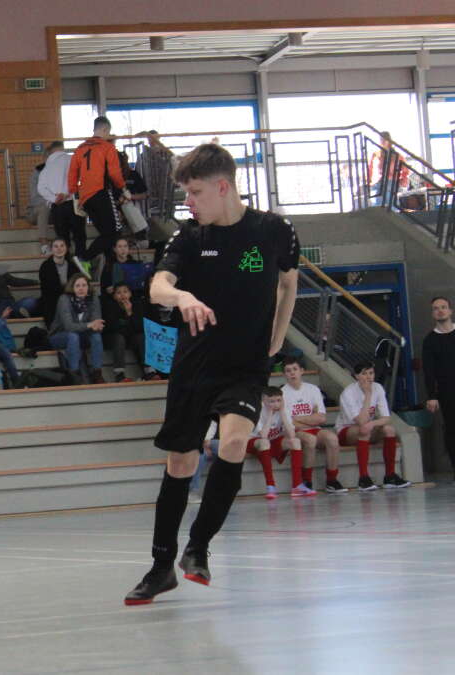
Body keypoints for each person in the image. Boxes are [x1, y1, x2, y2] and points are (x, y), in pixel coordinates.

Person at [124, 143, 299, 606]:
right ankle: (162, 567)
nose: (189, 202)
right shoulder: (188, 238)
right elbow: (158, 286)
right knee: (181, 463)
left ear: (223, 187)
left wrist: (277, 337)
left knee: (235, 442)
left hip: (245, 366)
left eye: (196, 192)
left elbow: (289, 280)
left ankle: (198, 547)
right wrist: (181, 298)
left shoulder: (274, 231)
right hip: (194, 365)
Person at [336, 361, 410, 491]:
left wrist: (372, 423)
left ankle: (390, 476)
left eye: (371, 373)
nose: (368, 377)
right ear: (356, 376)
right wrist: (368, 395)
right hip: (346, 431)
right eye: (364, 374)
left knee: (389, 430)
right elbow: (361, 421)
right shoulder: (348, 393)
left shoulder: (378, 388)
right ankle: (364, 478)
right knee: (364, 430)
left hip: (367, 428)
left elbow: (386, 418)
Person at [280, 356, 344, 492]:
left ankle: (332, 480)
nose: (292, 373)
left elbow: (321, 418)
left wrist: (298, 418)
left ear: (302, 371)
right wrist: (310, 418)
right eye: (288, 371)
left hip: (314, 428)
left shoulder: (313, 389)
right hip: (293, 432)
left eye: (295, 369)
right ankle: (307, 481)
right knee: (310, 439)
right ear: (284, 374)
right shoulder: (282, 393)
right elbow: (289, 423)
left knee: (332, 438)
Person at [68, 116, 128, 262]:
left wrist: (75, 197)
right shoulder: (107, 147)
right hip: (101, 192)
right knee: (114, 232)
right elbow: (114, 173)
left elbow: (72, 174)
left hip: (86, 198)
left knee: (105, 233)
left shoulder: (80, 148)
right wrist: (123, 188)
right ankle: (85, 258)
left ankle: (104, 266)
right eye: (108, 132)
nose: (109, 136)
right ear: (105, 129)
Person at [244, 387, 308, 500]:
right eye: (271, 401)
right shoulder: (257, 410)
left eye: (279, 400)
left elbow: (292, 434)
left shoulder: (284, 409)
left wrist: (283, 413)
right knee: (264, 442)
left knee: (295, 441)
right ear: (264, 400)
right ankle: (271, 486)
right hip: (254, 441)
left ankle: (297, 486)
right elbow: (263, 435)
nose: (276, 404)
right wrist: (270, 414)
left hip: (272, 441)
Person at [48, 274, 105, 384]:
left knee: (96, 336)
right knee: (73, 336)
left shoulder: (93, 298)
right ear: (72, 288)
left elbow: (98, 326)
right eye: (77, 286)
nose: (81, 288)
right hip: (60, 336)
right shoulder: (64, 299)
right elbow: (69, 326)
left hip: (81, 336)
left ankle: (97, 373)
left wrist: (96, 327)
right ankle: (74, 373)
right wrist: (89, 325)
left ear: (88, 287)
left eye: (84, 285)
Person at [423, 296, 455, 478]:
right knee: (452, 428)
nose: (440, 310)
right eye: (436, 308)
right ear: (432, 314)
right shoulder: (430, 341)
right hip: (447, 391)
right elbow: (429, 371)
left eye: (443, 307)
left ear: (450, 311)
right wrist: (432, 396)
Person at [38, 141, 87, 257]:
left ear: (51, 152)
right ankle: (82, 262)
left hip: (57, 206)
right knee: (79, 236)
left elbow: (41, 188)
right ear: (62, 148)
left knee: (63, 239)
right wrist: (69, 194)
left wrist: (55, 198)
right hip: (75, 203)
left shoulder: (46, 168)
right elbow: (83, 179)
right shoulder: (73, 160)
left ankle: (66, 262)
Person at [104, 283, 157, 382]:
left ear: (130, 294)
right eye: (118, 293)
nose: (123, 295)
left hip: (132, 336)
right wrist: (127, 321)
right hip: (116, 338)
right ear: (114, 296)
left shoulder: (137, 305)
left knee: (142, 336)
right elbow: (114, 327)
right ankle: (119, 374)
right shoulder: (110, 306)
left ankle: (149, 371)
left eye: (125, 291)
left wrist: (130, 313)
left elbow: (139, 327)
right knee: (119, 338)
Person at [38, 238, 87, 325]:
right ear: (51, 249)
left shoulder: (72, 266)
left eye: (62, 246)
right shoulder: (45, 266)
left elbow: (78, 285)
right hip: (52, 302)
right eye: (56, 246)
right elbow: (49, 290)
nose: (59, 249)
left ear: (66, 248)